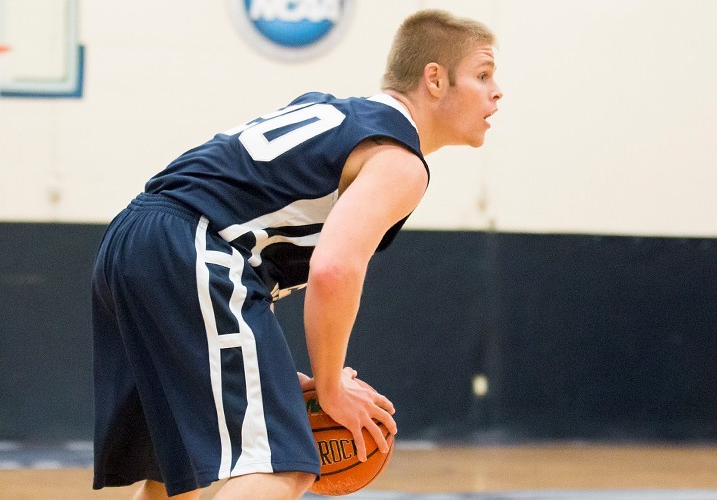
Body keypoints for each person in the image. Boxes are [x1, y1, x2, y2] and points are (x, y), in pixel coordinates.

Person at [91, 9, 503, 499]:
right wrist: (331, 386)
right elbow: (334, 269)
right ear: (434, 79)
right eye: (482, 75)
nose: (497, 91)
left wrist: (275, 373)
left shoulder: (338, 116)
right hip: (193, 247)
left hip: (138, 240)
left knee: (177, 475)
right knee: (281, 464)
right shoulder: (398, 160)